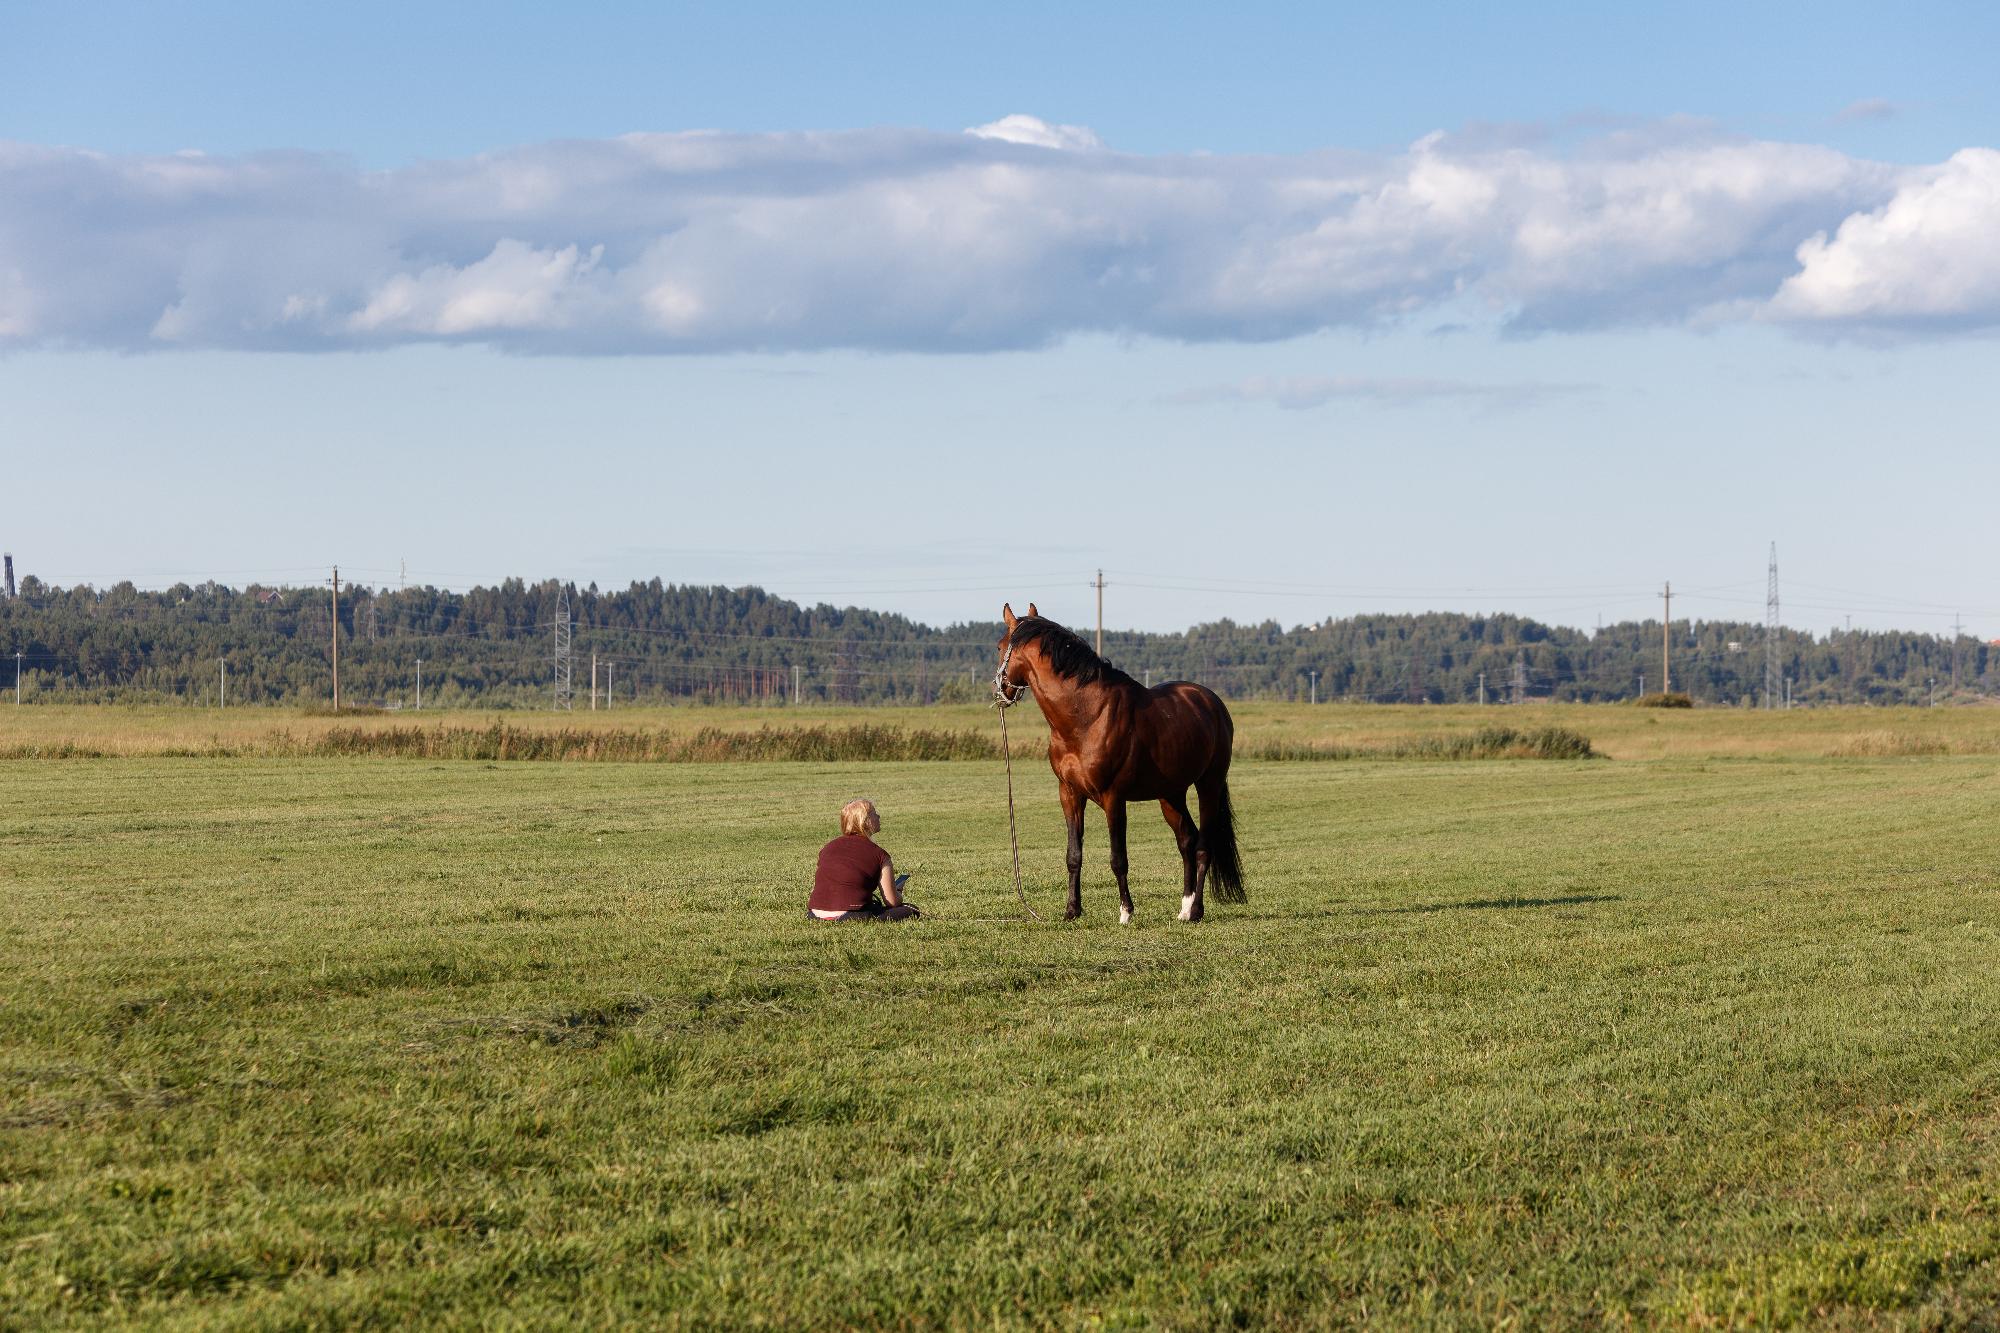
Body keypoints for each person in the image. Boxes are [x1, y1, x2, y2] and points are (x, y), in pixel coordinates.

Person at [809, 798, 919, 922]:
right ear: (865, 821)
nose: (878, 816)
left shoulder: (827, 848)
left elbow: (816, 888)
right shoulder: (880, 854)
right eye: (874, 813)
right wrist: (898, 891)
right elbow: (891, 901)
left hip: (814, 914)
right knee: (911, 909)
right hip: (850, 916)